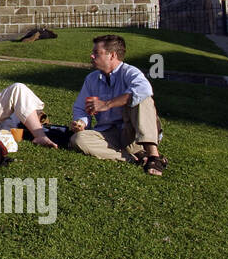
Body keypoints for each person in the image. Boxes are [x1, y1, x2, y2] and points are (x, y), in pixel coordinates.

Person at [68, 35, 168, 175]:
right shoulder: (91, 79)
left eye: (97, 52)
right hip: (108, 134)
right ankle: (132, 158)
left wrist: (107, 104)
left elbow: (144, 90)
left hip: (133, 134)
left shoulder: (129, 72)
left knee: (142, 99)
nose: (92, 56)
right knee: (78, 140)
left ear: (112, 55)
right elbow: (80, 107)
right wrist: (81, 122)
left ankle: (153, 156)